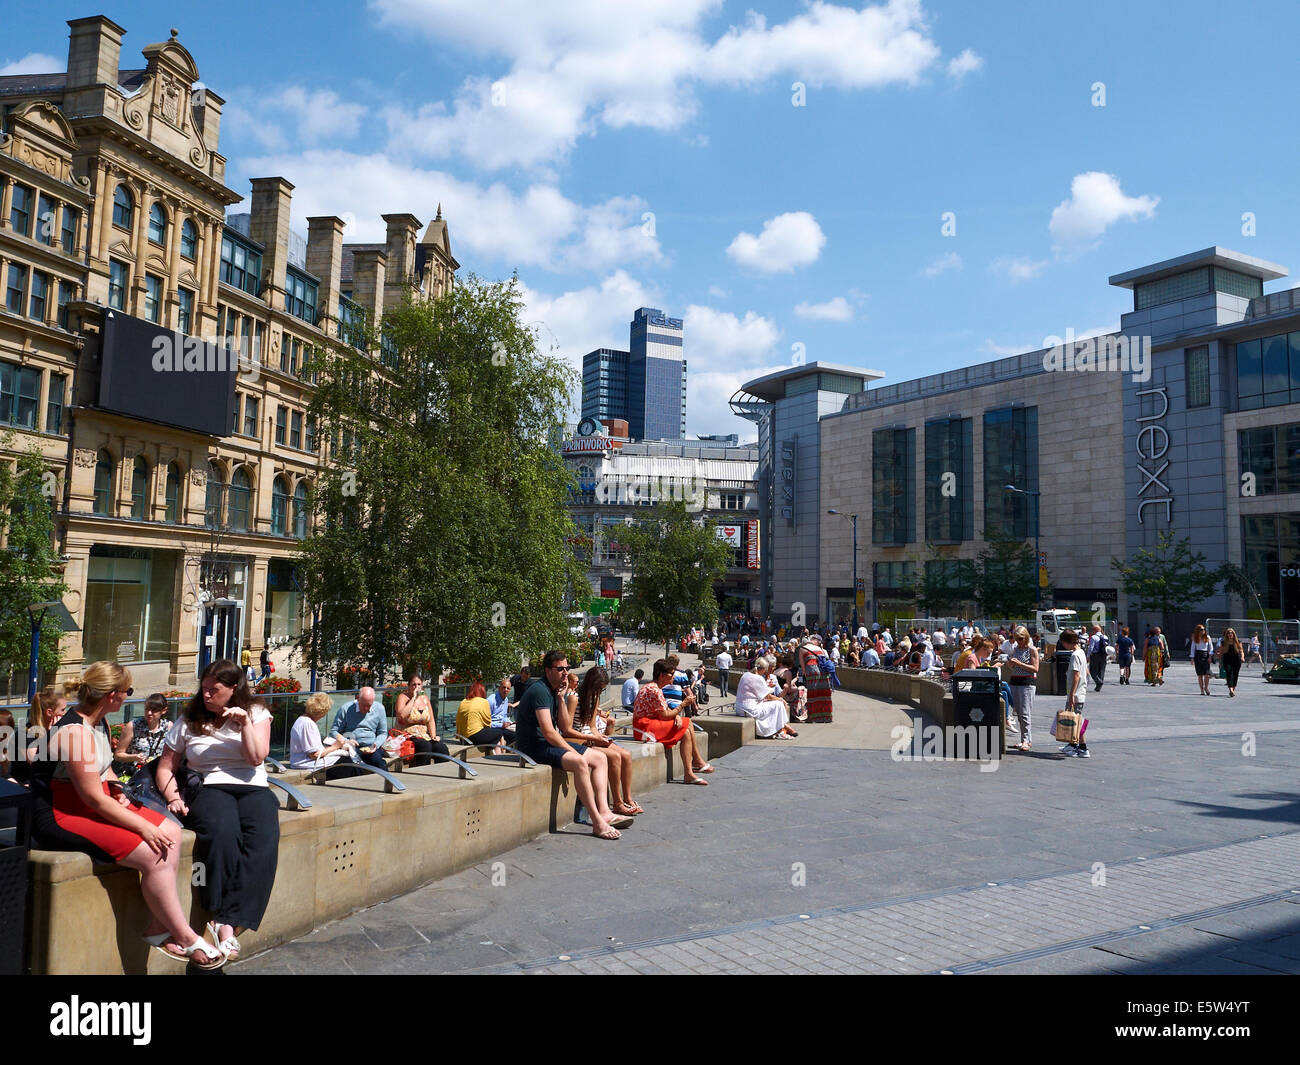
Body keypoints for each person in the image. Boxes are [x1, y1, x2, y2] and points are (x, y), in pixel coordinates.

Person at [44, 662, 224, 969]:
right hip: (64, 811)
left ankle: (158, 925)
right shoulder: (74, 733)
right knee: (153, 852)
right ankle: (185, 935)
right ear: (112, 695)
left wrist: (120, 793)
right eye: (127, 691)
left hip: (94, 799)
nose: (129, 697)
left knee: (172, 832)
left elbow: (104, 773)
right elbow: (90, 798)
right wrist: (142, 825)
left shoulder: (97, 720)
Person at [156, 659, 279, 963]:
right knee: (223, 833)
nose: (207, 695)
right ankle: (219, 914)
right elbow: (166, 765)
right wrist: (172, 796)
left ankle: (226, 921)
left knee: (264, 842)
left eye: (215, 690)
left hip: (253, 787)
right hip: (209, 786)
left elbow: (256, 758)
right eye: (205, 688)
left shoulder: (256, 712)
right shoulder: (190, 719)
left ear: (233, 689)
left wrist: (245, 724)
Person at [513, 650, 628, 840]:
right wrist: (571, 750)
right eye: (560, 669)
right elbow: (549, 733)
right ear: (548, 670)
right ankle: (597, 822)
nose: (565, 672)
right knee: (580, 763)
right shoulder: (539, 690)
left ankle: (605, 811)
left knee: (600, 758)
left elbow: (564, 727)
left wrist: (560, 698)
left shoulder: (554, 691)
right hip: (533, 748)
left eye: (567, 668)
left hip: (547, 743)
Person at [563, 666, 640, 817]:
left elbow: (591, 726)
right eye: (598, 689)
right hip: (577, 739)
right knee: (614, 757)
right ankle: (617, 803)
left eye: (601, 690)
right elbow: (567, 730)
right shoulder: (573, 697)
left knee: (626, 755)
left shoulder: (594, 697)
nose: (599, 692)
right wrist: (593, 738)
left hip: (589, 737)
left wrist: (601, 737)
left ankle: (628, 799)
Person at [633, 659, 714, 782]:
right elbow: (665, 715)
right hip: (643, 728)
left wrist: (676, 715)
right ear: (662, 675)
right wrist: (683, 704)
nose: (674, 676)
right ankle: (690, 771)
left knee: (687, 722)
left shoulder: (654, 688)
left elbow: (665, 710)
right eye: (671, 673)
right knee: (685, 731)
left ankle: (695, 762)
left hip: (648, 724)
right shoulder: (653, 690)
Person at [290, 692, 358, 774]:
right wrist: (335, 746)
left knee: (347, 761)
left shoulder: (302, 720)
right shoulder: (308, 724)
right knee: (348, 763)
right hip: (307, 764)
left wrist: (343, 742)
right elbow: (314, 754)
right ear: (322, 712)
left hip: (303, 761)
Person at [329, 686, 390, 769]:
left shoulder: (379, 708)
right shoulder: (346, 709)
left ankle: (386, 781)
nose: (366, 709)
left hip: (371, 746)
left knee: (379, 763)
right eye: (363, 705)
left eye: (369, 705)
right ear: (357, 699)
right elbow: (334, 732)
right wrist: (346, 741)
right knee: (353, 766)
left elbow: (382, 733)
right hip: (352, 747)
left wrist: (376, 744)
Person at [735, 657, 797, 739]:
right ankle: (782, 729)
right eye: (765, 669)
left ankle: (782, 728)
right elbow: (767, 696)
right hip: (750, 710)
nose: (765, 671)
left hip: (740, 708)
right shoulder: (758, 678)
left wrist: (768, 687)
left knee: (774, 704)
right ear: (762, 668)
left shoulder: (745, 675)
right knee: (778, 704)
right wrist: (780, 699)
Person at [395, 672, 451, 762]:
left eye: (418, 684)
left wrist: (433, 736)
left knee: (441, 747)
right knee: (425, 746)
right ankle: (422, 769)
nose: (416, 687)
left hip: (424, 736)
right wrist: (413, 698)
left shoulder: (425, 698)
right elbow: (401, 715)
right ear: (409, 686)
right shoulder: (403, 697)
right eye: (413, 684)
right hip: (408, 736)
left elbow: (431, 720)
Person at [1007, 626, 1039, 752]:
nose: (1018, 641)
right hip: (1015, 681)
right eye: (1016, 639)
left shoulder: (1032, 650)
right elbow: (1011, 668)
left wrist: (1020, 664)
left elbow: (1035, 668)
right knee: (1019, 713)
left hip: (1027, 683)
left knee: (1025, 713)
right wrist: (1011, 663)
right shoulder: (1015, 649)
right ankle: (1024, 739)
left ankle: (1026, 740)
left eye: (1020, 638)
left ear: (1026, 637)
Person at [457, 681, 517, 748]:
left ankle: (504, 752)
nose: (505, 690)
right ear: (499, 688)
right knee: (501, 733)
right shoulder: (488, 701)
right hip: (476, 735)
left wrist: (510, 723)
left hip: (462, 737)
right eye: (503, 687)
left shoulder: (464, 701)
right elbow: (488, 723)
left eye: (508, 688)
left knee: (515, 733)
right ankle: (501, 754)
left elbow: (504, 716)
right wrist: (501, 725)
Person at [1059, 630, 1090, 758]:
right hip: (1080, 692)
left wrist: (1071, 694)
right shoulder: (1081, 652)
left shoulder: (1075, 655)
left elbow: (1076, 675)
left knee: (1075, 721)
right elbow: (1086, 672)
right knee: (1077, 720)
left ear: (1067, 642)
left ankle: (1081, 747)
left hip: (1076, 694)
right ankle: (1075, 745)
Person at [1219, 628, 1245, 697]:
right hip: (1227, 660)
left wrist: (1242, 657)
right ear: (1226, 635)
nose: (1230, 634)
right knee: (1229, 673)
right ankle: (1231, 689)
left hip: (1236, 660)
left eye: (1231, 633)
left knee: (1235, 675)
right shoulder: (1223, 642)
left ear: (1234, 634)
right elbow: (1221, 652)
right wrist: (1219, 662)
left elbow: (1241, 651)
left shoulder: (1238, 642)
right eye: (1228, 633)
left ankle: (1233, 689)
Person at [1190, 623, 1214, 696]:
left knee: (1207, 674)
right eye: (1201, 629)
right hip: (1198, 655)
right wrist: (1192, 658)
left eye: (1204, 629)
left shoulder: (1208, 637)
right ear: (1198, 630)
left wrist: (1210, 656)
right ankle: (1201, 690)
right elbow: (1193, 648)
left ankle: (1206, 688)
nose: (1203, 631)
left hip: (1205, 655)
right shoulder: (1195, 637)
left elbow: (1211, 647)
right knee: (1200, 674)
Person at [1087, 625, 1108, 692]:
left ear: (1094, 630)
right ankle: (1099, 685)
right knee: (1101, 670)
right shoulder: (1105, 637)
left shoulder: (1093, 637)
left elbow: (1091, 647)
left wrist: (1088, 656)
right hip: (1104, 655)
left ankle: (1099, 682)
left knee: (1092, 670)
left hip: (1095, 655)